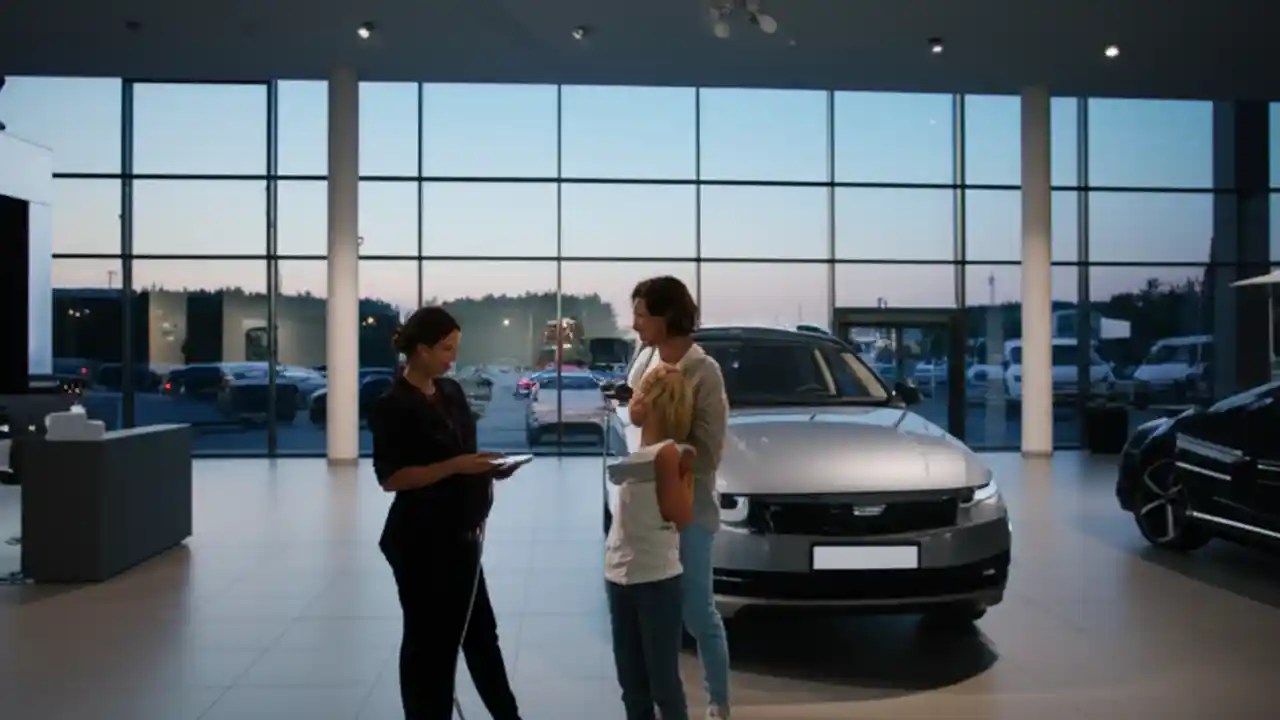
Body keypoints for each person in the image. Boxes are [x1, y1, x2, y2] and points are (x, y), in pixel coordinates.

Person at [369, 305, 523, 720]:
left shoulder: (451, 392)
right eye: (445, 348)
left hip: (461, 535)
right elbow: (392, 478)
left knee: (480, 635)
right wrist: (454, 468)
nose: (451, 357)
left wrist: (486, 467)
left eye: (455, 348)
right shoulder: (392, 404)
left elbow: (462, 454)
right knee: (430, 644)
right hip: (420, 540)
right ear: (419, 350)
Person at [627, 276, 732, 720]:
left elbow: (708, 454)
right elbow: (635, 412)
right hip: (647, 510)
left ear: (666, 316)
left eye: (641, 315)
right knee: (652, 618)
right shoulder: (646, 360)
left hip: (688, 510)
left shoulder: (704, 372)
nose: (635, 325)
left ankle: (719, 703)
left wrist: (662, 452)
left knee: (697, 613)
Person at [605, 364, 697, 720]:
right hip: (620, 575)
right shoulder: (638, 449)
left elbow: (680, 515)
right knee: (631, 683)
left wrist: (668, 473)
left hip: (656, 580)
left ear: (655, 402)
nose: (632, 399)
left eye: (639, 392)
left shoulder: (670, 454)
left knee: (662, 683)